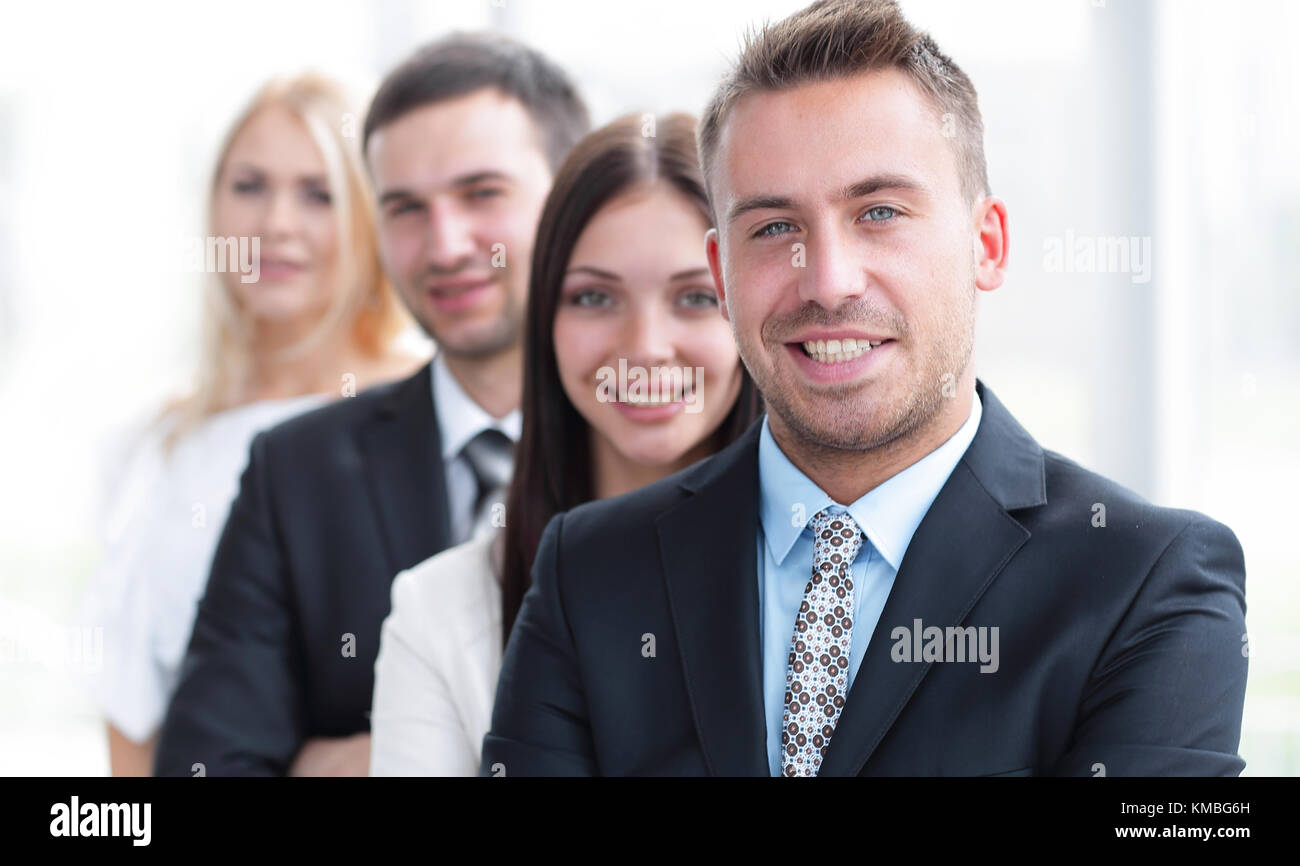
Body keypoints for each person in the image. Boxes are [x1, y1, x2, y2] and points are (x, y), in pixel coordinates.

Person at [481, 0, 1249, 777]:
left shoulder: (1148, 585)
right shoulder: (590, 574)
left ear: (986, 244)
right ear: (722, 275)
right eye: (775, 228)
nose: (828, 282)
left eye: (879, 212)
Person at [153, 34, 590, 776]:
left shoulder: (665, 441)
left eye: (482, 193)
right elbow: (207, 763)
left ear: (573, 196)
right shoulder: (295, 470)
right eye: (406, 208)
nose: (446, 244)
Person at [369, 113, 763, 775]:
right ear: (545, 318)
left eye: (695, 297)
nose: (644, 348)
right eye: (593, 297)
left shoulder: (839, 572)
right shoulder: (440, 610)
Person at [79, 72, 423, 776]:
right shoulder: (153, 443)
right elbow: (128, 707)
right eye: (249, 186)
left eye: (318, 193)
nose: (276, 225)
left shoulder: (420, 412)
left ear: (368, 216)